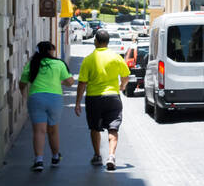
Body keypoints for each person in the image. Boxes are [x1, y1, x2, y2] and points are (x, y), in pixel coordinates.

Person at [75, 28, 130, 171]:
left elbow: (82, 83)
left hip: (94, 98)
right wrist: (122, 86)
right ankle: (111, 155)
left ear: (96, 41)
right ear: (108, 42)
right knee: (113, 127)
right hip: (113, 97)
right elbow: (125, 76)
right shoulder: (116, 57)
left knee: (94, 127)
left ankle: (97, 155)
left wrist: (77, 103)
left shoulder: (88, 59)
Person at [18, 41, 76, 172]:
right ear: (50, 51)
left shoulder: (32, 64)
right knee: (53, 130)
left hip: (36, 98)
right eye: (52, 50)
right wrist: (59, 81)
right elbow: (70, 82)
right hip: (55, 98)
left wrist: (23, 94)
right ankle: (55, 157)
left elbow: (22, 83)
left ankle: (39, 160)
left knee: (39, 131)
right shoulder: (59, 64)